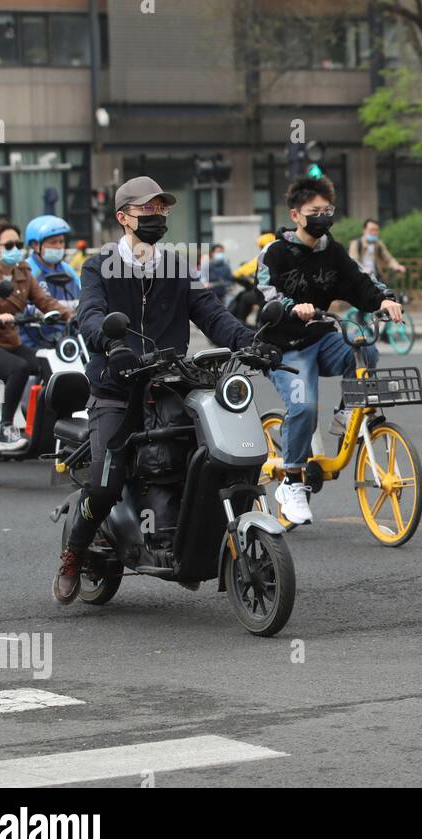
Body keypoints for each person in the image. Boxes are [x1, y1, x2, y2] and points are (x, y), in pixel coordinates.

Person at [52, 176, 270, 604]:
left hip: (172, 386)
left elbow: (211, 313)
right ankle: (74, 554)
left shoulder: (176, 265)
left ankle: (186, 544)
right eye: (146, 211)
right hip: (116, 390)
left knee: (207, 460)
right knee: (104, 487)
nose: (157, 217)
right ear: (123, 217)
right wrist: (113, 345)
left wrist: (252, 342)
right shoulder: (98, 265)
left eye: (162, 210)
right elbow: (90, 315)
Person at [258, 174, 404, 526]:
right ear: (295, 215)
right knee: (304, 406)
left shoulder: (333, 251)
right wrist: (294, 306)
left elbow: (359, 282)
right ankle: (292, 481)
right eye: (314, 210)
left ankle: (345, 413)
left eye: (327, 210)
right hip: (284, 346)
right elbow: (267, 292)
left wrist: (384, 299)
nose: (323, 216)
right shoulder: (275, 252)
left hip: (322, 337)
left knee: (365, 352)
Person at [0, 222, 74, 451]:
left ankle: (53, 426)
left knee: (51, 364)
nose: (15, 248)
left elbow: (45, 301)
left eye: (18, 244)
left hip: (11, 343)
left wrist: (73, 316)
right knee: (19, 368)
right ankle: (6, 430)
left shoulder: (23, 272)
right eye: (9, 245)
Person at [21, 214, 81, 348]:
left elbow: (84, 297)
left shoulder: (68, 270)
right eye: (53, 242)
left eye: (61, 241)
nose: (59, 246)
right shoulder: (26, 270)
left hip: (68, 342)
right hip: (34, 343)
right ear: (36, 245)